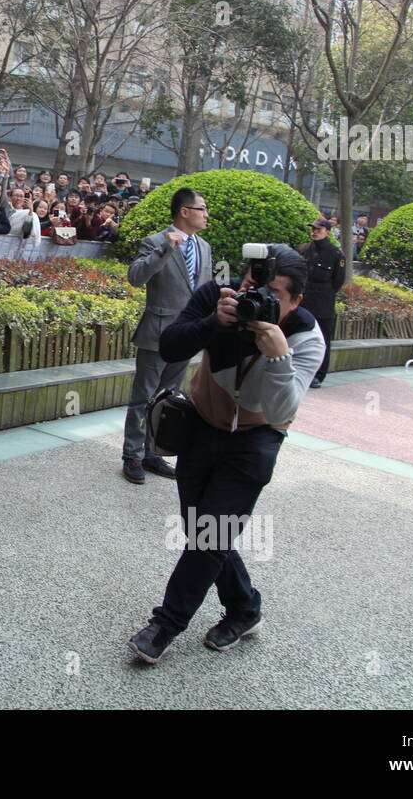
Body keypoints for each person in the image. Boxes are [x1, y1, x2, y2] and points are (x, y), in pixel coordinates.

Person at [128, 245, 324, 664]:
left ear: (296, 301)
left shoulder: (306, 335)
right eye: (253, 284)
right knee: (204, 529)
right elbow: (169, 347)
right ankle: (245, 608)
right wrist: (213, 322)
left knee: (210, 534)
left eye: (273, 293)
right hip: (201, 425)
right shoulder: (219, 298)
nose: (255, 297)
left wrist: (279, 356)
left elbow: (281, 411)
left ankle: (165, 625)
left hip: (256, 439)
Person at [121, 188, 213, 483]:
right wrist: (166, 250)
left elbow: (204, 290)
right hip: (157, 333)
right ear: (185, 211)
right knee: (143, 397)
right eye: (202, 209)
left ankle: (152, 453)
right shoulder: (156, 241)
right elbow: (136, 277)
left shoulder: (205, 247)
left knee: (167, 398)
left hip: (186, 336)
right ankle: (131, 455)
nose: (206, 214)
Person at [297, 217, 346, 388]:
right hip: (303, 300)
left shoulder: (335, 254)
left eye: (319, 229)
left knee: (323, 339)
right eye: (313, 229)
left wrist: (325, 294)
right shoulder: (304, 250)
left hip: (323, 302)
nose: (314, 231)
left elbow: (338, 281)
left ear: (327, 231)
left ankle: (319, 375)